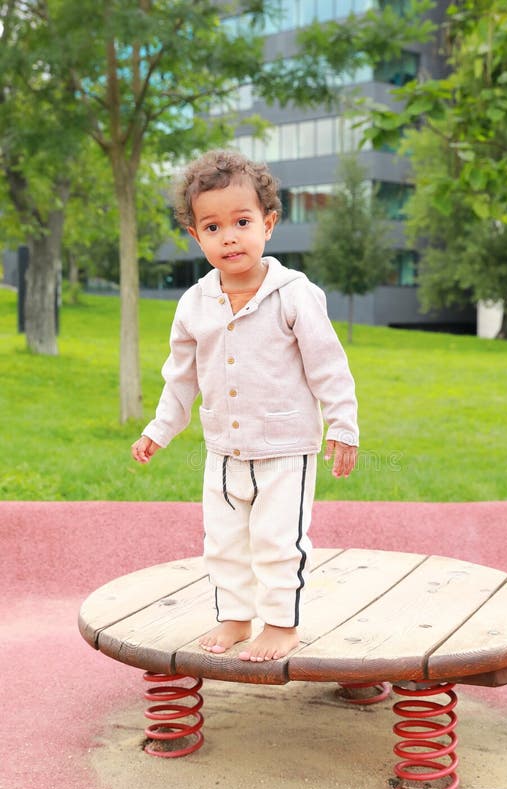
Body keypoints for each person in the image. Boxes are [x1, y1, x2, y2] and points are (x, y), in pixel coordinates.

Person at [131, 149, 359, 663]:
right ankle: (235, 617)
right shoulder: (194, 303)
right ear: (195, 236)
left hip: (285, 450)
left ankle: (281, 625)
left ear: (269, 223)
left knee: (279, 543)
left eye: (242, 221)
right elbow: (180, 379)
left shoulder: (295, 295)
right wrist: (158, 430)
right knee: (225, 543)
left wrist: (343, 427)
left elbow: (329, 367)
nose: (229, 236)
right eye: (212, 227)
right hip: (224, 453)